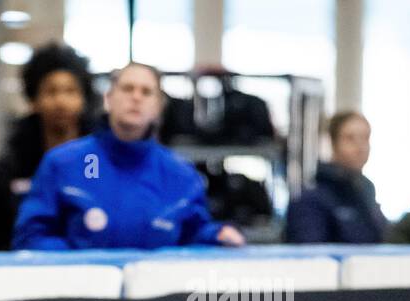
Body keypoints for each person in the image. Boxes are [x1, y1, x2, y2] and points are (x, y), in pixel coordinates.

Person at [13, 62, 244, 250]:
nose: (136, 97)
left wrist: (218, 235)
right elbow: (30, 237)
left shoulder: (181, 174)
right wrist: (80, 264)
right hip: (77, 300)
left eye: (146, 92)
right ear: (109, 98)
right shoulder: (66, 163)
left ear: (158, 106)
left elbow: (194, 233)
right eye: (127, 89)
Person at [0, 43, 94, 251]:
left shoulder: (95, 161)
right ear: (34, 99)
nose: (60, 101)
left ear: (83, 99)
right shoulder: (11, 167)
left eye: (70, 91)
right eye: (51, 91)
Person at [285, 111, 386, 244]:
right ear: (333, 142)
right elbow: (311, 256)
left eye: (365, 138)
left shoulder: (366, 191)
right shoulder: (310, 200)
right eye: (350, 138)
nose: (360, 146)